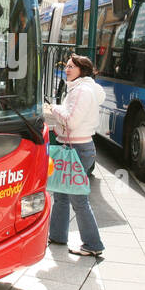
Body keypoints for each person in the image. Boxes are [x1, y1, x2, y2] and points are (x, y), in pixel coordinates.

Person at [44, 53, 106, 259]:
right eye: (66, 66)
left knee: (78, 200)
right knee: (61, 195)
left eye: (72, 67)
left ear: (83, 70)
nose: (67, 70)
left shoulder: (82, 91)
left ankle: (93, 244)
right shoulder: (80, 89)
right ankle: (58, 235)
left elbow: (71, 121)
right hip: (73, 147)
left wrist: (54, 108)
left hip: (77, 150)